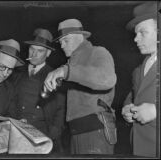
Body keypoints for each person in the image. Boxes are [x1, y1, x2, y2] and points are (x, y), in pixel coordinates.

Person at [44, 19, 117, 154]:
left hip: (95, 132)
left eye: (66, 40)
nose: (62, 45)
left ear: (80, 37)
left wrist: (66, 71)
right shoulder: (73, 63)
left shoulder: (98, 52)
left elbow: (107, 78)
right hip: (75, 133)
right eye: (60, 42)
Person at [9, 28, 66, 154]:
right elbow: (9, 100)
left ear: (48, 53)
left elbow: (60, 109)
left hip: (44, 135)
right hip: (18, 133)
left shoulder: (55, 75)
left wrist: (53, 133)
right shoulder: (16, 73)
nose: (33, 54)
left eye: (39, 51)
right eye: (31, 49)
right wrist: (14, 121)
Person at [122, 2, 160, 157]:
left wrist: (156, 111)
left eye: (143, 32)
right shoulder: (138, 69)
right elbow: (133, 96)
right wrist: (126, 109)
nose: (136, 39)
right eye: (136, 34)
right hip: (138, 148)